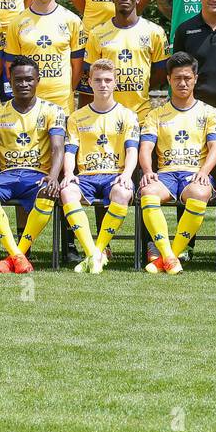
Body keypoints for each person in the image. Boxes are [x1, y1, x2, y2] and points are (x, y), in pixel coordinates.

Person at [0, 56, 67, 274]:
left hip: (38, 175)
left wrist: (54, 176)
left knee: (48, 190)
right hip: (8, 174)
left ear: (38, 80)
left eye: (29, 79)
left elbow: (57, 148)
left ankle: (14, 256)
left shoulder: (53, 111)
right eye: (18, 80)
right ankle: (17, 255)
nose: (23, 84)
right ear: (10, 80)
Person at [138, 53, 216, 274]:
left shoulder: (209, 113)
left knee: (200, 192)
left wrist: (205, 171)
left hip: (195, 173)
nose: (182, 82)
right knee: (148, 190)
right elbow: (146, 148)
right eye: (177, 78)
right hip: (166, 173)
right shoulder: (155, 115)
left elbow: (215, 147)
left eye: (187, 77)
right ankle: (169, 256)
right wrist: (147, 170)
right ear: (168, 79)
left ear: (195, 78)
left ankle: (167, 255)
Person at [58, 59, 140, 274]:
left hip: (115, 175)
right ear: (90, 83)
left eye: (107, 80)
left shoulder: (128, 115)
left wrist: (127, 174)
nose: (103, 84)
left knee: (122, 193)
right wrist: (68, 173)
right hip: (86, 175)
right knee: (67, 191)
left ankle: (98, 250)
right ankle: (93, 252)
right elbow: (70, 150)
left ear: (115, 83)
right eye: (98, 80)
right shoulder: (77, 117)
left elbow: (132, 150)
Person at [4, 0, 85, 113]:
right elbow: (10, 67)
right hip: (28, 105)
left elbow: (78, 67)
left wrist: (67, 90)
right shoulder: (17, 22)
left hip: (62, 105)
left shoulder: (72, 20)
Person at [82, 0, 168, 119]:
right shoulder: (97, 33)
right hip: (107, 115)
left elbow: (161, 73)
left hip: (141, 115)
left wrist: (142, 86)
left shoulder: (154, 32)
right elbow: (90, 75)